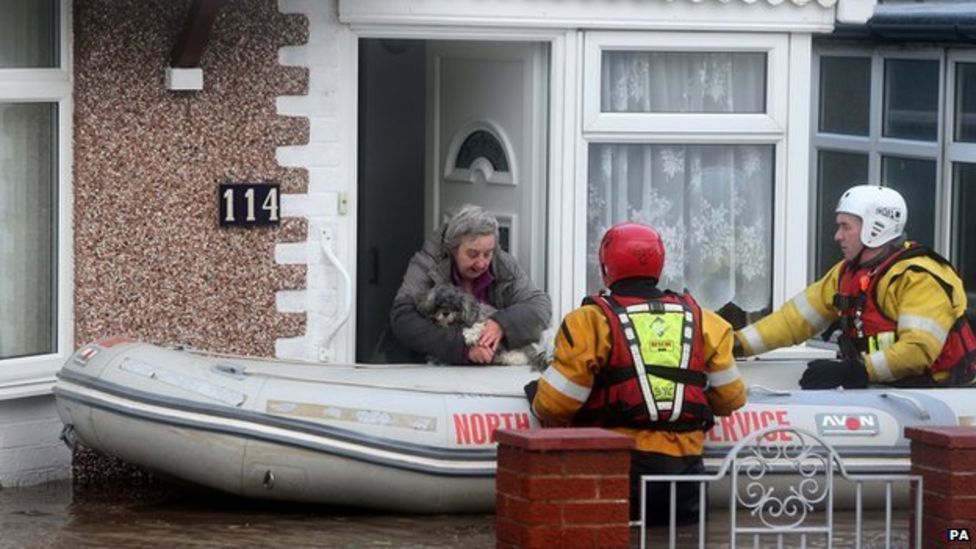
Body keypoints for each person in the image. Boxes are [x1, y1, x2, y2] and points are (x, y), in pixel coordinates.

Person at [527, 222, 746, 525]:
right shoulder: (704, 319)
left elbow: (554, 405)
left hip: (619, 472)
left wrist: (536, 395)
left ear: (606, 266)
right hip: (687, 478)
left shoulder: (590, 321)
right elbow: (731, 398)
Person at [734, 184, 976, 388]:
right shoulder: (846, 273)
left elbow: (917, 351)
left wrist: (855, 371)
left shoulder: (918, 278)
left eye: (845, 226)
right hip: (879, 389)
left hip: (937, 396)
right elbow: (793, 321)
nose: (837, 236)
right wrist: (736, 345)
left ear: (875, 228)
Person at [388, 204, 551, 364]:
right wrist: (464, 349)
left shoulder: (503, 263)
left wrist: (501, 324)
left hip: (494, 367)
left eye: (487, 254)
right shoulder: (427, 262)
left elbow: (540, 306)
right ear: (453, 249)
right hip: (428, 367)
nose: (481, 264)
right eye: (472, 254)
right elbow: (403, 319)